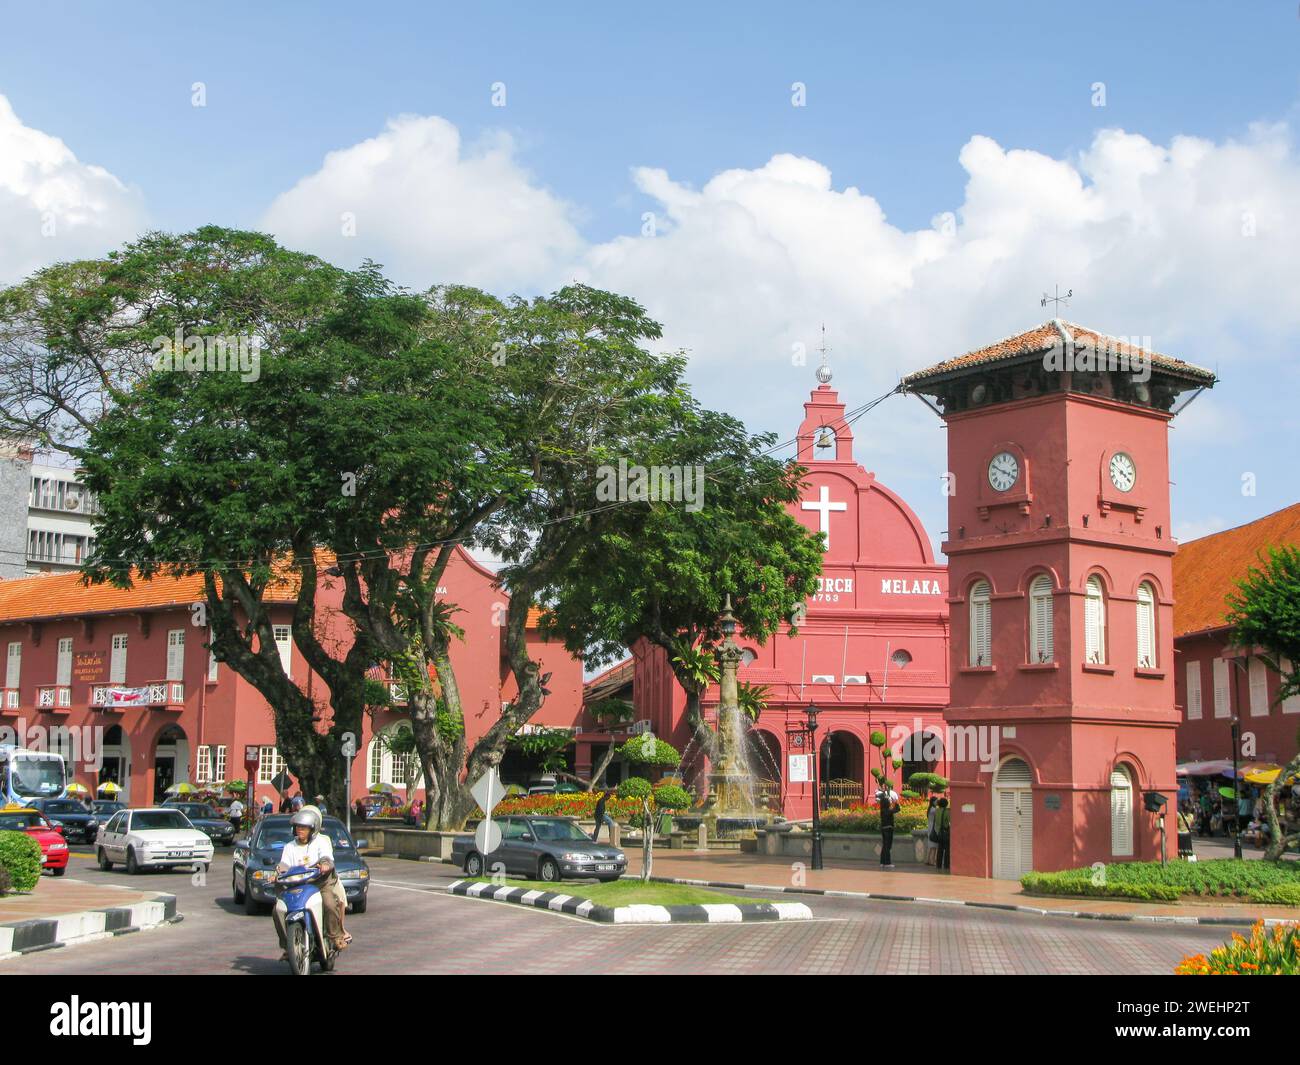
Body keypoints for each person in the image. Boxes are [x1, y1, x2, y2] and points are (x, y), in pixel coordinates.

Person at [273, 807, 350, 955]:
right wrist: (277, 873)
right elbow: (284, 865)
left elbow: (326, 857)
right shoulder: (290, 846)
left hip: (319, 884)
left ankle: (335, 937)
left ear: (312, 829)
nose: (300, 830)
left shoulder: (321, 842)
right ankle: (287, 947)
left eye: (304, 828)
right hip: (296, 885)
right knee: (277, 910)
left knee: (328, 903)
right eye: (298, 827)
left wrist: (325, 865)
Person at [877, 785, 900, 869]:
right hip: (888, 829)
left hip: (884, 829)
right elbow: (897, 809)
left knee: (884, 846)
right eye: (888, 801)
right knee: (887, 846)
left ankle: (882, 862)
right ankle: (887, 863)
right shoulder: (887, 811)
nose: (889, 802)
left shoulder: (883, 810)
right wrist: (896, 802)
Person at [935, 797, 952, 870]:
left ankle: (938, 864)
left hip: (939, 832)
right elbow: (950, 821)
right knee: (947, 849)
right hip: (945, 832)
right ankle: (946, 865)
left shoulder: (937, 811)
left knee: (940, 849)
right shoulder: (946, 811)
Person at [925, 796, 939, 866]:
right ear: (933, 802)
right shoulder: (934, 810)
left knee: (930, 845)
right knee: (934, 846)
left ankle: (928, 860)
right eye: (936, 801)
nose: (937, 802)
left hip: (930, 827)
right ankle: (932, 861)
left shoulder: (930, 809)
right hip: (933, 829)